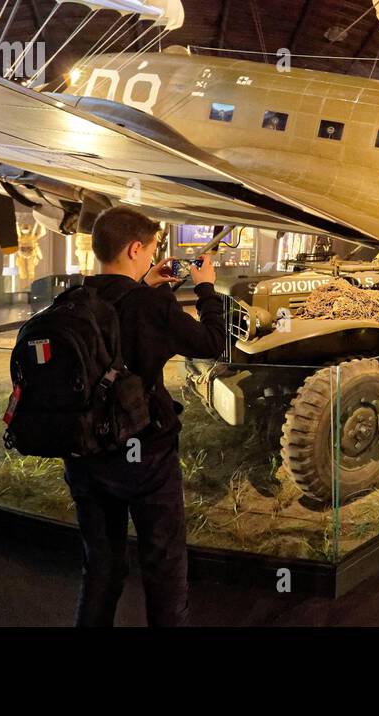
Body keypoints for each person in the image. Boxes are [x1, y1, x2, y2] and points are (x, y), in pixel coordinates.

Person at [63, 207, 225, 626]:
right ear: (136, 248)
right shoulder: (151, 307)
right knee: (164, 567)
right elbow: (211, 342)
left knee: (100, 566)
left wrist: (148, 283)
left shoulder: (75, 301)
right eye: (152, 250)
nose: (154, 257)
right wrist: (207, 289)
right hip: (144, 453)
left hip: (84, 451)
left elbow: (117, 315)